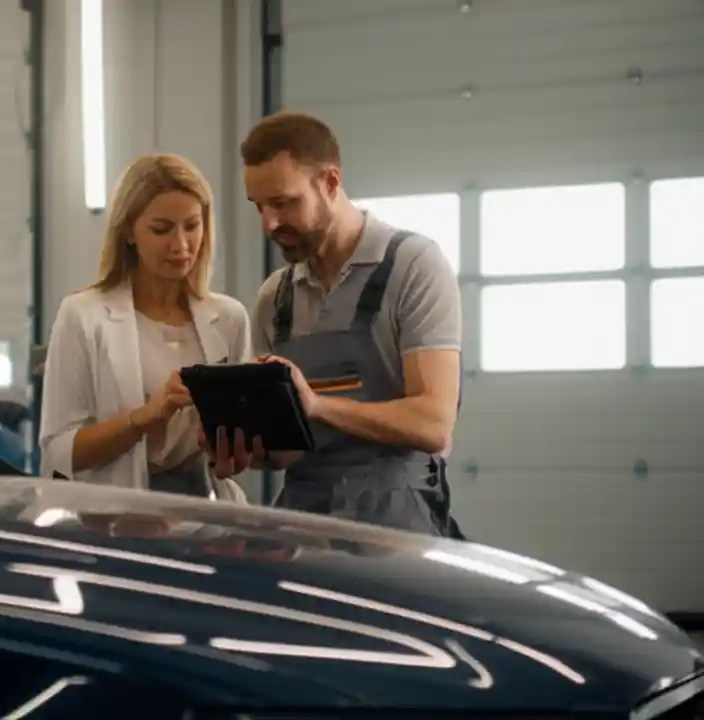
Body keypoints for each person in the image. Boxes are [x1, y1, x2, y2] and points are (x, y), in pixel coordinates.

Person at [209, 111, 464, 537]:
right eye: (259, 206)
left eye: (283, 203)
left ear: (330, 182)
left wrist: (318, 404)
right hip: (304, 515)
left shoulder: (414, 266)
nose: (268, 223)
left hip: (398, 518)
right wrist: (248, 453)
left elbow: (433, 424)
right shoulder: (276, 297)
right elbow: (289, 451)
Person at [38, 154, 251, 500]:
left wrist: (230, 454)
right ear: (128, 233)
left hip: (207, 512)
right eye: (161, 229)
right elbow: (60, 452)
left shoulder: (229, 318)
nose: (181, 245)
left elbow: (235, 450)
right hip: (114, 517)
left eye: (192, 225)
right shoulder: (82, 315)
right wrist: (145, 417)